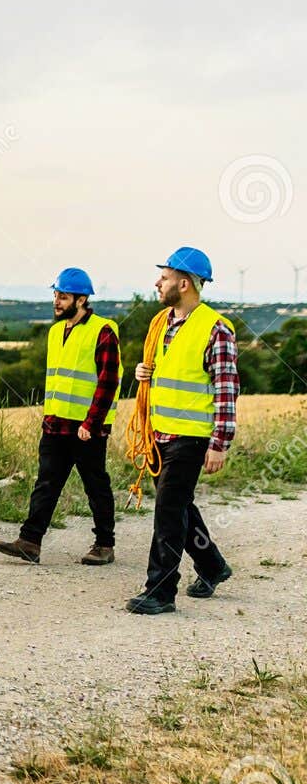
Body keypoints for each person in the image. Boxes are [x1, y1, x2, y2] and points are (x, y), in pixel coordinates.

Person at [126, 247, 238, 615]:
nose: (158, 282)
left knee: (169, 514)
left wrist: (219, 444)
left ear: (184, 283)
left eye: (165, 276)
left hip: (191, 438)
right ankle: (212, 566)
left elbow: (226, 389)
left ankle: (160, 591)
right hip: (161, 434)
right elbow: (175, 372)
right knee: (181, 509)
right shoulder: (163, 323)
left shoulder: (215, 329)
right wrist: (147, 373)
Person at [0, 268, 120, 565]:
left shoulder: (103, 330)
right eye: (55, 295)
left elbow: (108, 381)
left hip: (87, 428)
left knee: (95, 485)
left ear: (81, 299)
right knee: (46, 483)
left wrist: (93, 422)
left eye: (63, 296)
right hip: (56, 425)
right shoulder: (55, 331)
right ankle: (30, 541)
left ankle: (105, 545)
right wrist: (48, 416)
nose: (57, 301)